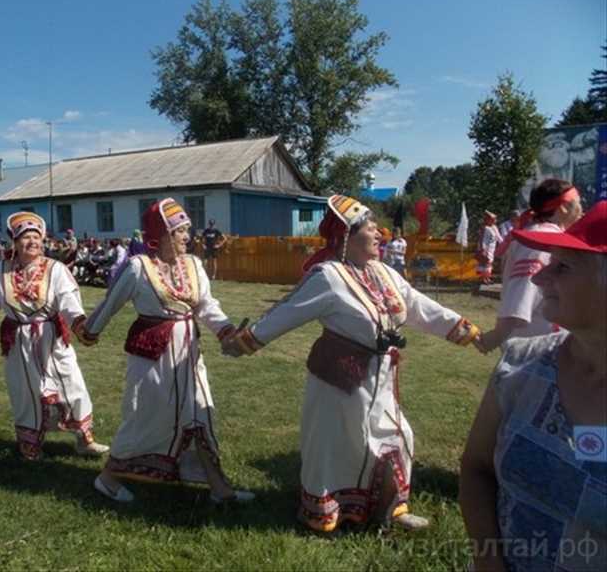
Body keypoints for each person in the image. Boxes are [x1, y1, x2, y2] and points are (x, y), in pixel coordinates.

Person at [222, 194, 483, 533]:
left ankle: (392, 509)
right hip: (339, 379)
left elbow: (418, 307)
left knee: (397, 436)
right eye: (371, 228)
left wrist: (467, 332)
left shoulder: (384, 272)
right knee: (340, 445)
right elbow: (286, 312)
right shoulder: (328, 276)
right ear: (347, 236)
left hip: (381, 375)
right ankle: (326, 511)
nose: (380, 233)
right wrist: (243, 342)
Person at [460, 201, 607, 572]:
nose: (539, 278)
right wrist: (488, 560)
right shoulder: (521, 363)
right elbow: (477, 467)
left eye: (563, 266)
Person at [75, 198, 252, 504]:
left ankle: (219, 489)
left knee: (199, 413)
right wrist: (89, 331)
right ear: (161, 233)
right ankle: (109, 478)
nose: (187, 237)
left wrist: (226, 330)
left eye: (187, 230)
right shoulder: (138, 267)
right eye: (180, 231)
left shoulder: (194, 265)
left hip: (189, 354)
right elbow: (110, 304)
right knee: (147, 419)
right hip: (152, 359)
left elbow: (206, 305)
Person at [0, 212, 108, 461]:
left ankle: (84, 439)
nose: (32, 242)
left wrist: (79, 324)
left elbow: (68, 300)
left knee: (72, 386)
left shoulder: (55, 269)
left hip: (52, 340)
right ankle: (30, 446)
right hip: (19, 343)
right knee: (26, 393)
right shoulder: (2, 269)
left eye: (36, 237)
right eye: (25, 237)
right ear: (14, 242)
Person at [479, 180, 583, 352]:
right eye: (578, 202)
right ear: (563, 207)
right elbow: (521, 292)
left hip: (537, 344)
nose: (581, 207)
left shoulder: (537, 234)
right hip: (536, 348)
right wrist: (496, 336)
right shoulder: (543, 240)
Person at [476, 211, 502, 284]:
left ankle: (487, 278)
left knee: (489, 263)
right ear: (487, 220)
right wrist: (483, 249)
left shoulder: (494, 227)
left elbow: (498, 237)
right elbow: (483, 240)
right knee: (485, 263)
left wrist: (504, 244)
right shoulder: (485, 228)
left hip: (492, 248)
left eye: (495, 219)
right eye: (493, 219)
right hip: (486, 248)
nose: (494, 221)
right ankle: (484, 279)